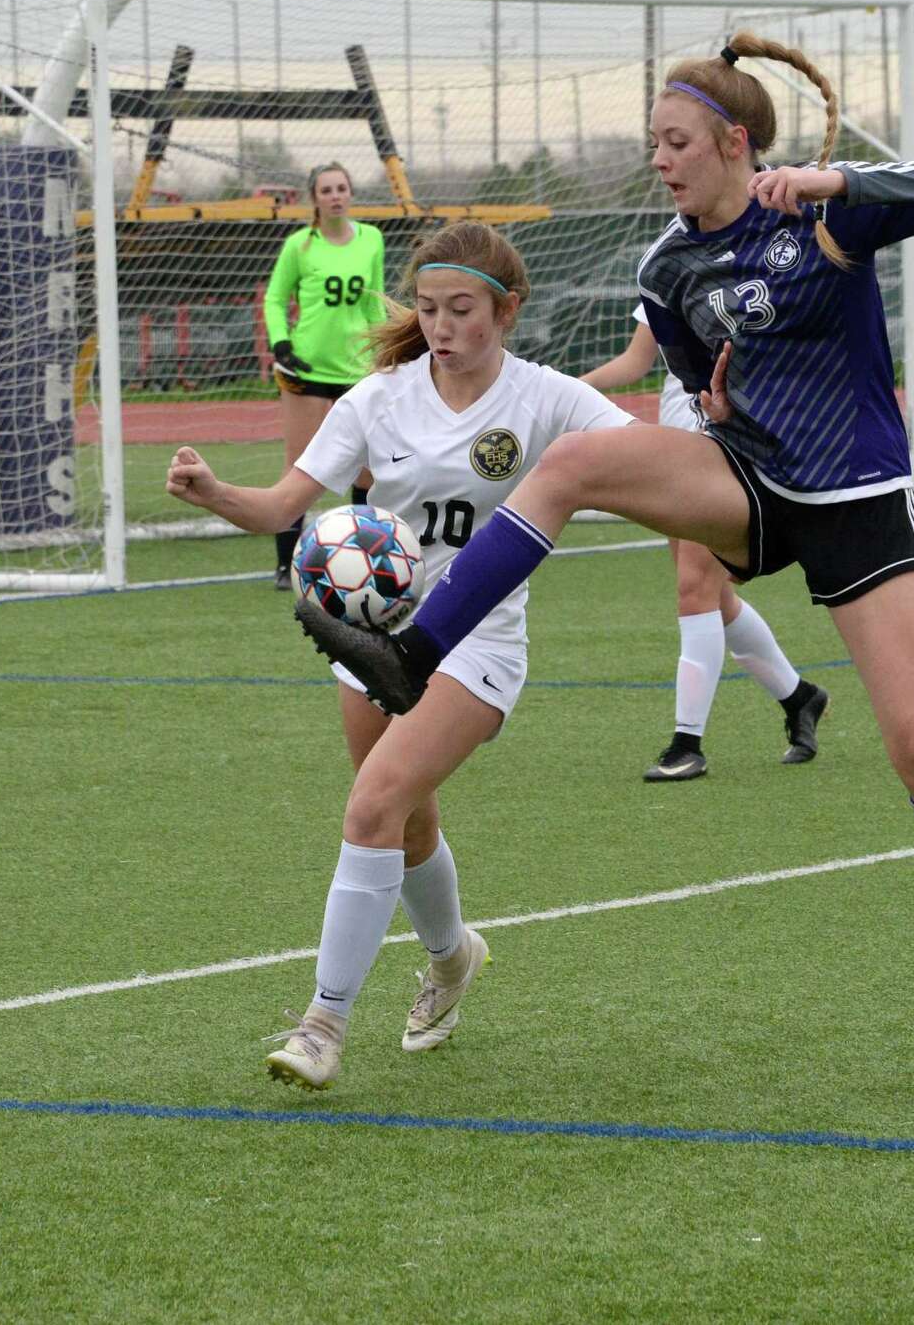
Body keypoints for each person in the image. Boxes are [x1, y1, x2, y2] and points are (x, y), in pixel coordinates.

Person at [297, 32, 914, 1051]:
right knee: (570, 467)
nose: (658, 160)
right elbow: (702, 366)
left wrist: (832, 177)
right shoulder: (667, 264)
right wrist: (714, 393)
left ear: (735, 143)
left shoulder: (824, 216)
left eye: (674, 142)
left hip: (856, 495)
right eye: (653, 142)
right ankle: (415, 653)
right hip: (747, 480)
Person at [167, 221, 634, 1090]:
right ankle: (454, 959)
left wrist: (712, 433)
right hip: (369, 642)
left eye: (462, 309)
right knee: (408, 821)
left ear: (508, 309)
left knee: (374, 803)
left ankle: (322, 1024)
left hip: (479, 643)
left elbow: (642, 454)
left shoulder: (548, 399)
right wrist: (215, 491)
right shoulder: (377, 399)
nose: (443, 325)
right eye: (427, 308)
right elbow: (281, 509)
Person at [582, 312, 827, 779]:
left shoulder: (753, 277)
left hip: (728, 445)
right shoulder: (663, 271)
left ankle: (687, 744)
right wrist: (566, 386)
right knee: (714, 596)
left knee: (695, 587)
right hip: (679, 452)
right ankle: (800, 698)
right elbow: (635, 362)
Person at [263, 161, 386, 588]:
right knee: (300, 464)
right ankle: (284, 564)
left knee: (369, 469)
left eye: (341, 188)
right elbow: (276, 300)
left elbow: (373, 303)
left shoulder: (372, 240)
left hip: (358, 370)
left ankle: (370, 556)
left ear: (351, 194)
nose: (335, 196)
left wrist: (384, 351)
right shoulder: (300, 246)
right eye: (326, 190)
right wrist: (282, 344)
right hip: (308, 369)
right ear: (313, 198)